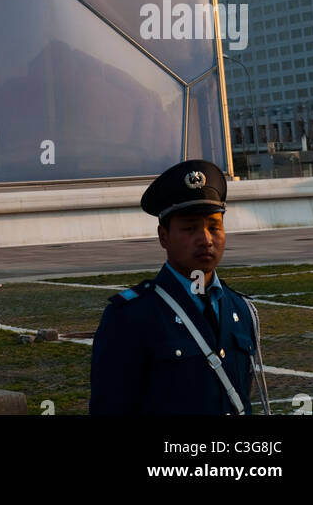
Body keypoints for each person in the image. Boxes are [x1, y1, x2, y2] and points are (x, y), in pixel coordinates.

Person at [88, 159, 269, 415]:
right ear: (163, 236)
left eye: (214, 227)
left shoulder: (241, 310)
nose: (205, 239)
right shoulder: (131, 317)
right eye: (190, 228)